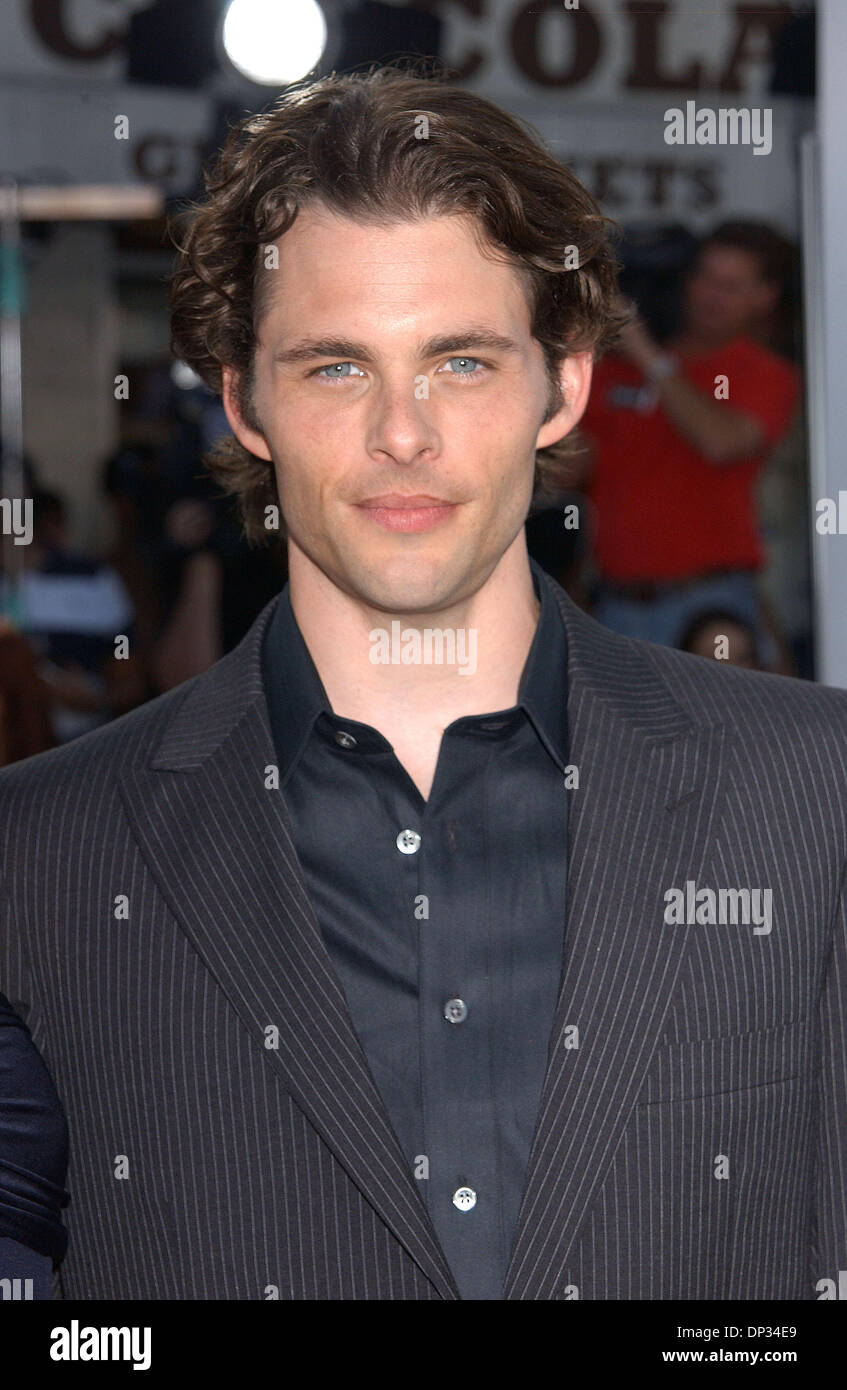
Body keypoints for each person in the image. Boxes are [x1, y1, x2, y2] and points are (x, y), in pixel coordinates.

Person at [0, 67, 844, 1301]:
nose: (404, 432)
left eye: (459, 362)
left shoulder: (814, 794)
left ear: (561, 385)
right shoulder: (36, 856)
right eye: (337, 367)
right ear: (245, 402)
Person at [579, 222, 801, 650]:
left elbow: (721, 443)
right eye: (705, 278)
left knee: (720, 715)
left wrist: (647, 356)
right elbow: (570, 469)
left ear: (764, 297)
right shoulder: (615, 369)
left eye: (731, 285)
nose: (711, 295)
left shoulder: (763, 372)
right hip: (616, 603)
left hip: (710, 603)